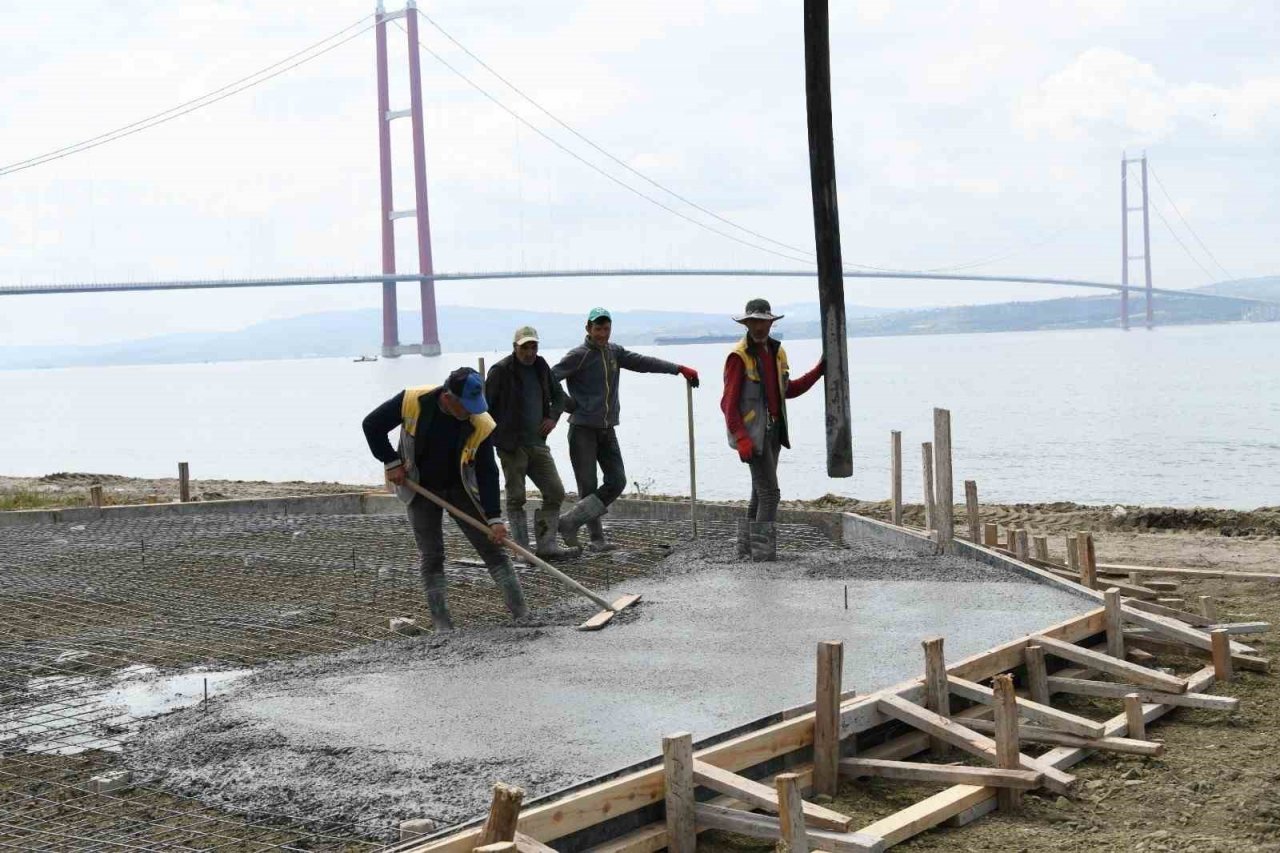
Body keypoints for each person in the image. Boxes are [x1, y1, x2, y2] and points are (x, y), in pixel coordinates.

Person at [361, 367, 527, 631]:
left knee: (493, 548)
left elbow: (487, 472)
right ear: (448, 397)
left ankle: (522, 614)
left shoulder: (481, 422)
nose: (472, 412)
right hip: (420, 485)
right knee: (432, 554)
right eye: (466, 405)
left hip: (460, 487)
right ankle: (442, 624)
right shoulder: (413, 401)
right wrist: (391, 461)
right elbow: (372, 425)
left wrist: (494, 517)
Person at [552, 307, 699, 551]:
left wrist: (678, 368)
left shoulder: (614, 352)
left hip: (608, 429)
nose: (602, 333)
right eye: (598, 328)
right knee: (587, 486)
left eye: (606, 328)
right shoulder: (578, 355)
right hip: (582, 430)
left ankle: (569, 522)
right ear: (588, 328)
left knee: (617, 481)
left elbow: (643, 362)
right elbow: (549, 379)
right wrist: (570, 405)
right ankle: (597, 541)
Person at [720, 298, 825, 561]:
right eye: (754, 321)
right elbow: (728, 404)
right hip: (753, 436)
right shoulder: (738, 357)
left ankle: (746, 550)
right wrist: (741, 438)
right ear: (746, 323)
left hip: (774, 433)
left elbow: (788, 390)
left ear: (771, 323)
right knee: (770, 494)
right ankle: (763, 557)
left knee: (759, 492)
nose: (759, 327)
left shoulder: (777, 352)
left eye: (764, 321)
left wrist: (819, 371)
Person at [485, 325, 577, 560]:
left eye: (533, 346)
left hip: (537, 443)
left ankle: (546, 546)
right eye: (525, 347)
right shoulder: (500, 371)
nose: (529, 352)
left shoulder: (541, 366)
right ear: (515, 347)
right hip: (511, 445)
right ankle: (522, 551)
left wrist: (553, 417)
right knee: (516, 498)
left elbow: (558, 396)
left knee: (555, 491)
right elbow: (485, 408)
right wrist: (493, 439)